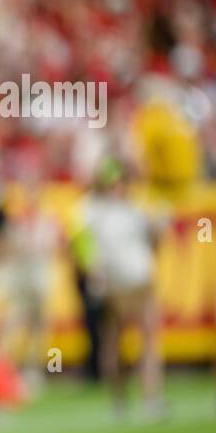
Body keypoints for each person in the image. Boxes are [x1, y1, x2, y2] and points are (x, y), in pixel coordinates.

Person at [74, 155, 166, 418]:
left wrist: (158, 231)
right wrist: (93, 271)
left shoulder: (135, 209)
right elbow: (82, 245)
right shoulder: (91, 210)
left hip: (141, 280)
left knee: (149, 339)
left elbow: (151, 243)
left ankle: (152, 397)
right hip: (113, 285)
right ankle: (119, 398)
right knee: (113, 343)